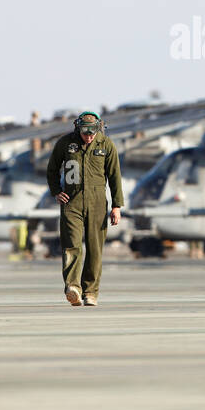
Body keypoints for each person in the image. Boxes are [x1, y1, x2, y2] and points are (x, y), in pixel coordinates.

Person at [46, 111, 123, 306]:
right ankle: (73, 287)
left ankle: (90, 292)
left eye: (92, 132)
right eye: (85, 132)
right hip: (71, 201)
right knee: (72, 244)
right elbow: (52, 169)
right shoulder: (65, 143)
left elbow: (115, 176)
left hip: (97, 202)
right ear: (77, 128)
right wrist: (56, 191)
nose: (88, 136)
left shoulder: (106, 145)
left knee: (95, 249)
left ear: (99, 129)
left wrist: (116, 206)